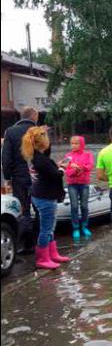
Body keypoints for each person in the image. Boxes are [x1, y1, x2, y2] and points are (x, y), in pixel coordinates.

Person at [21, 126, 71, 269]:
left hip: (41, 195)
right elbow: (55, 175)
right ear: (43, 141)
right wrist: (62, 169)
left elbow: (48, 170)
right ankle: (43, 259)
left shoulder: (37, 157)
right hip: (45, 198)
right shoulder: (41, 160)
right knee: (46, 229)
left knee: (50, 227)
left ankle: (52, 254)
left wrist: (57, 166)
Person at [2, 107, 42, 253]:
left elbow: (6, 158)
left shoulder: (10, 132)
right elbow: (45, 154)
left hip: (19, 177)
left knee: (23, 210)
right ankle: (39, 241)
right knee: (39, 209)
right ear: (35, 117)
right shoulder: (39, 131)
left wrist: (7, 177)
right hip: (38, 176)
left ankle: (26, 243)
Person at [63, 135, 95, 240]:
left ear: (81, 144)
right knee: (74, 206)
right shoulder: (68, 156)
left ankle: (84, 226)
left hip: (84, 184)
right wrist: (74, 171)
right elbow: (66, 171)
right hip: (72, 184)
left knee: (84, 206)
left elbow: (90, 165)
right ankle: (75, 227)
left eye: (76, 143)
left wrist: (80, 167)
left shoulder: (87, 154)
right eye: (72, 143)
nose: (73, 145)